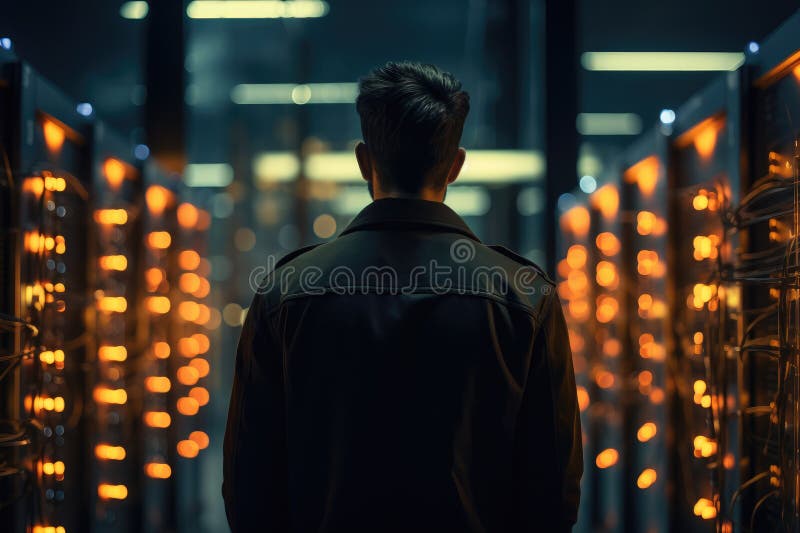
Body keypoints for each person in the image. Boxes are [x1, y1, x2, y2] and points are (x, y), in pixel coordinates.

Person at [223, 61, 582, 532]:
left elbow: (249, 488)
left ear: (363, 161)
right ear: (455, 166)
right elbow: (553, 492)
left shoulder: (285, 293)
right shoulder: (525, 296)